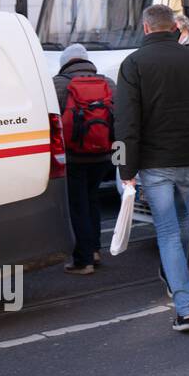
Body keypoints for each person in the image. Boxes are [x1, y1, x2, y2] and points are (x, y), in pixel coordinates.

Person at [114, 4, 189, 333]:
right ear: (172, 26)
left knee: (168, 231)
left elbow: (125, 122)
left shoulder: (133, 65)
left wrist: (124, 167)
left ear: (145, 28)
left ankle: (185, 308)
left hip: (155, 162)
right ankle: (174, 278)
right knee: (182, 221)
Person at [54, 44, 117, 275]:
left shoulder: (59, 84)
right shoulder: (107, 83)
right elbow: (117, 119)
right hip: (102, 156)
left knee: (77, 206)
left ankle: (83, 260)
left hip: (73, 157)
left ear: (65, 62)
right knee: (92, 201)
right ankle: (96, 250)